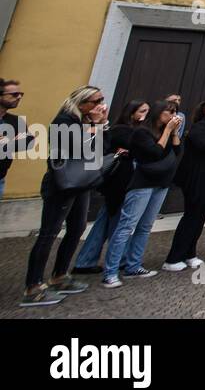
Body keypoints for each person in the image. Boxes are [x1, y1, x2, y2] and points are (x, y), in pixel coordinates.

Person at [21, 86, 113, 307]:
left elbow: (96, 153)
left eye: (101, 99)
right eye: (95, 101)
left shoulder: (84, 122)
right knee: (48, 234)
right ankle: (33, 287)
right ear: (81, 103)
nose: (100, 104)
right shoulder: (64, 121)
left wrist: (98, 125)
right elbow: (74, 149)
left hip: (81, 183)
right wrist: (95, 127)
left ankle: (59, 276)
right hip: (61, 185)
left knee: (77, 228)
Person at [102, 99, 183, 287]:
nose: (172, 116)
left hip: (161, 183)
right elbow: (155, 152)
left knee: (145, 226)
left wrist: (174, 132)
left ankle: (133, 265)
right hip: (143, 183)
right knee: (127, 226)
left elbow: (177, 151)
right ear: (157, 113)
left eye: (174, 112)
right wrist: (168, 131)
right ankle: (111, 271)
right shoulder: (142, 132)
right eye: (168, 112)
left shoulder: (168, 132)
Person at [71, 99, 147, 274]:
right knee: (118, 221)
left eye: (147, 111)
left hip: (122, 182)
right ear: (131, 112)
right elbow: (139, 149)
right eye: (142, 111)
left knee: (105, 221)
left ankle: (86, 260)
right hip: (119, 182)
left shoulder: (131, 131)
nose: (145, 115)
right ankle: (119, 259)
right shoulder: (121, 130)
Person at [162, 97, 205, 272]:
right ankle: (174, 257)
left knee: (200, 217)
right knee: (192, 217)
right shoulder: (201, 126)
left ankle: (189, 254)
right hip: (197, 178)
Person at [0, 79, 34, 201]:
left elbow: (29, 142)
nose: (19, 97)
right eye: (14, 94)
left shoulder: (15, 121)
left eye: (21, 94)